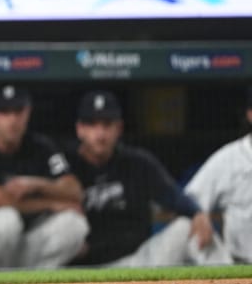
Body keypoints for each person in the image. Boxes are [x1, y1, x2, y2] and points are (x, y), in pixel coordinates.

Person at [65, 91, 229, 268]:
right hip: (80, 270)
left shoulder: (138, 163)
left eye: (107, 124)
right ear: (79, 129)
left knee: (189, 225)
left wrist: (197, 213)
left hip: (137, 263)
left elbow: (176, 198)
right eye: (92, 124)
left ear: (119, 128)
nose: (100, 133)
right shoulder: (65, 165)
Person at [0, 85, 90, 270]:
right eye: (4, 111)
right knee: (7, 220)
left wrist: (36, 184)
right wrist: (50, 203)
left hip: (26, 240)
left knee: (74, 223)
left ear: (28, 112)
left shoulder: (42, 146)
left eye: (18, 111)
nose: (12, 119)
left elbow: (74, 191)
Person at [186, 91, 252, 264]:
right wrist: (199, 214)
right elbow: (190, 198)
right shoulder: (230, 157)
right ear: (250, 114)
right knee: (183, 227)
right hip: (239, 265)